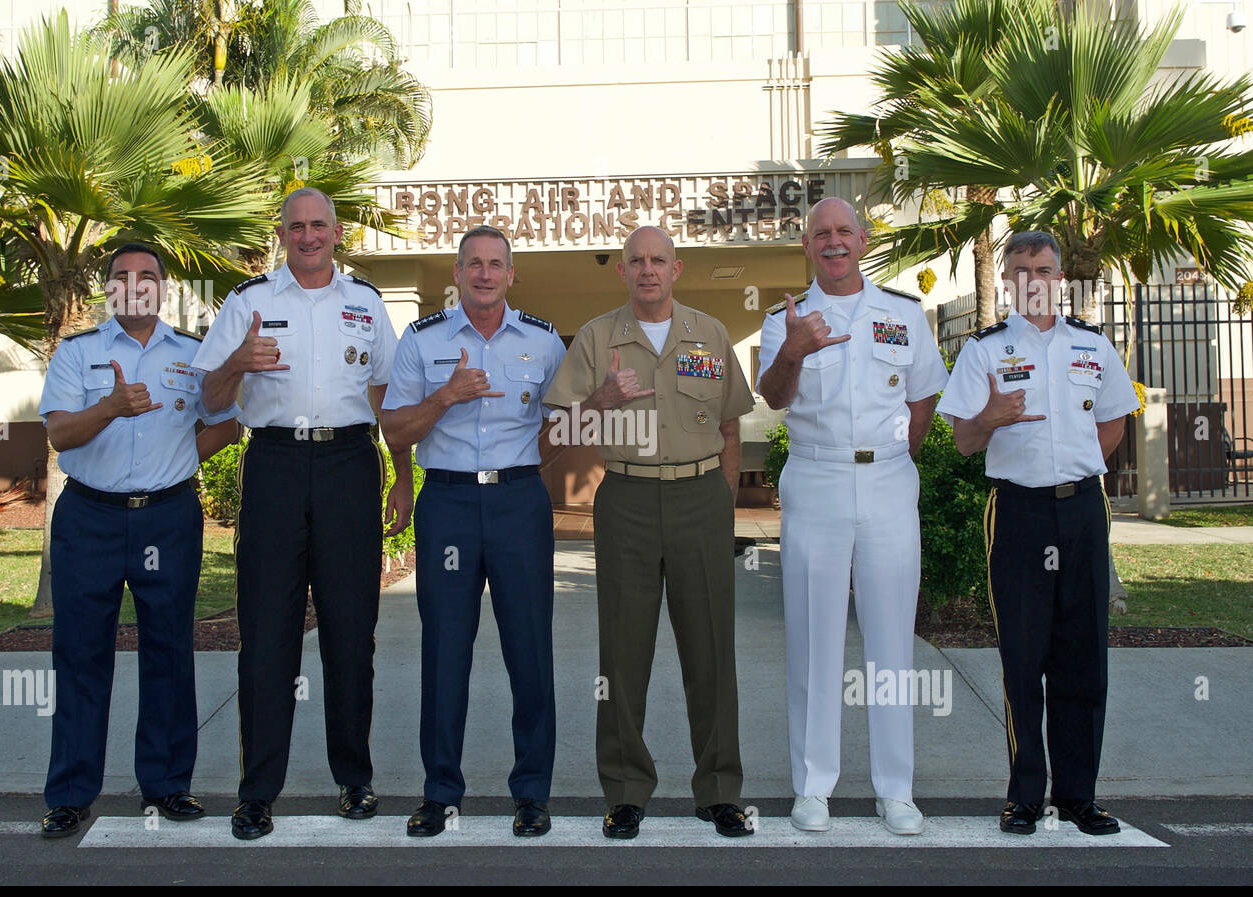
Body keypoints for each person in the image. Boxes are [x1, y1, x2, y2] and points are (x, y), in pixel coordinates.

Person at [193, 188, 414, 840]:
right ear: (282, 233)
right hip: (275, 467)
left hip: (349, 464)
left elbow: (388, 400)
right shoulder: (249, 302)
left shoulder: (366, 304)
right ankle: (257, 793)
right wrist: (239, 360)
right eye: (297, 226)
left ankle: (355, 780)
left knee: (352, 632)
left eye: (320, 225)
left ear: (337, 232)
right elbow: (207, 396)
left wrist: (402, 478)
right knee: (266, 635)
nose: (309, 235)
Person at [544, 225, 757, 840]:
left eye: (658, 260)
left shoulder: (711, 334)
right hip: (628, 498)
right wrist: (602, 400)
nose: (646, 270)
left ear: (677, 269)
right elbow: (560, 433)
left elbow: (729, 431)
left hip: (700, 498)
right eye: (635, 260)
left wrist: (720, 501)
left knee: (712, 649)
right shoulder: (596, 337)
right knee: (623, 652)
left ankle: (719, 791)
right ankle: (626, 790)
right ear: (623, 272)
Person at [935, 230, 1138, 836]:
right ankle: (1025, 795)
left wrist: (1072, 474)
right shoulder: (984, 351)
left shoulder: (1093, 346)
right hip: (1018, 515)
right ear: (1006, 281)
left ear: (1059, 278)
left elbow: (1113, 427)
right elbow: (964, 442)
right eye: (1020, 271)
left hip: (1080, 513)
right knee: (1023, 658)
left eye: (1044, 269)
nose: (1033, 280)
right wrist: (991, 418)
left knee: (1084, 657)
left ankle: (1079, 796)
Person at [758, 197, 948, 836]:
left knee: (892, 636)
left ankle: (896, 789)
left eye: (844, 231)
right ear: (806, 247)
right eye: (821, 234)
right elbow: (776, 397)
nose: (833, 242)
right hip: (816, 477)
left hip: (890, 478)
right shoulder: (784, 316)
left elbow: (922, 396)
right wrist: (793, 352)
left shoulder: (902, 314)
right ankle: (813, 785)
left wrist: (895, 458)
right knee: (814, 637)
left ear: (862, 240)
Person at [38, 242, 240, 838]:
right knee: (80, 655)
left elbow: (225, 423)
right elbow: (60, 435)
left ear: (163, 288)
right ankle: (71, 794)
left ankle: (169, 785)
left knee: (169, 650)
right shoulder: (78, 353)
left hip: (166, 517)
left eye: (147, 277)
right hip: (89, 518)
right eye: (122, 277)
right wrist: (110, 407)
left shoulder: (193, 354)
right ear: (108, 288)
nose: (136, 285)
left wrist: (175, 458)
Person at [380, 225, 565, 838]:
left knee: (529, 649)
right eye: (473, 265)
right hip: (449, 505)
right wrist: (447, 397)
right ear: (455, 274)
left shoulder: (542, 342)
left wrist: (524, 471)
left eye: (496, 265)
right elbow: (397, 431)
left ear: (511, 275)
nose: (485, 275)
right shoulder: (421, 339)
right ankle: (439, 792)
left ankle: (532, 792)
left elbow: (558, 426)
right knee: (445, 649)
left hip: (518, 503)